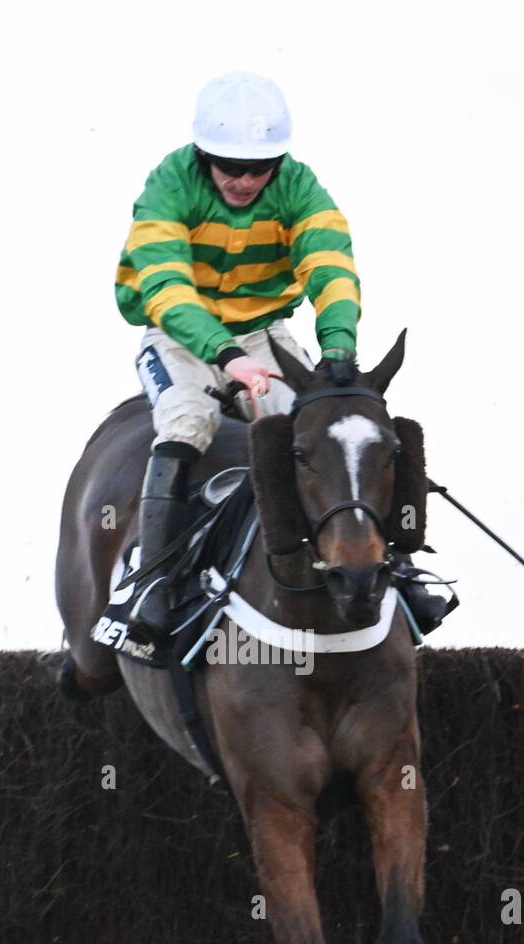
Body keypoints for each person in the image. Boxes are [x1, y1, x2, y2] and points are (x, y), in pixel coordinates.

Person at [114, 70, 362, 640]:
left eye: (259, 169)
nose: (245, 181)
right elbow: (167, 287)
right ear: (203, 155)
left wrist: (339, 349)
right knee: (188, 417)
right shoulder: (168, 185)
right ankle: (153, 580)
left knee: (322, 427)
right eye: (231, 167)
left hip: (263, 332)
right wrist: (225, 356)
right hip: (178, 334)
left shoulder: (300, 186)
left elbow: (332, 266)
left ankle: (371, 568)